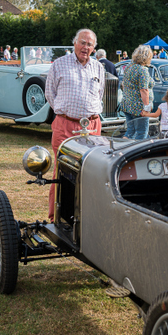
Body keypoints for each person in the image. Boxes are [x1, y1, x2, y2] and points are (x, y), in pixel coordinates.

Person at [44, 28, 105, 221]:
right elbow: (50, 93)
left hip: (93, 127)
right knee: (62, 170)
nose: (85, 47)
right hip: (65, 126)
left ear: (94, 48)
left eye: (90, 44)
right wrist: (65, 114)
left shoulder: (98, 68)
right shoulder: (59, 65)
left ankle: (87, 217)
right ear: (74, 43)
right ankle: (57, 217)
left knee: (92, 171)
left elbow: (100, 94)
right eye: (82, 42)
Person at [119, 44, 154, 140]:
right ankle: (138, 154)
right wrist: (146, 107)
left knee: (130, 132)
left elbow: (124, 84)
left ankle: (124, 150)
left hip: (127, 105)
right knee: (141, 133)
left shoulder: (129, 67)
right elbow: (144, 90)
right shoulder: (142, 70)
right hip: (138, 107)